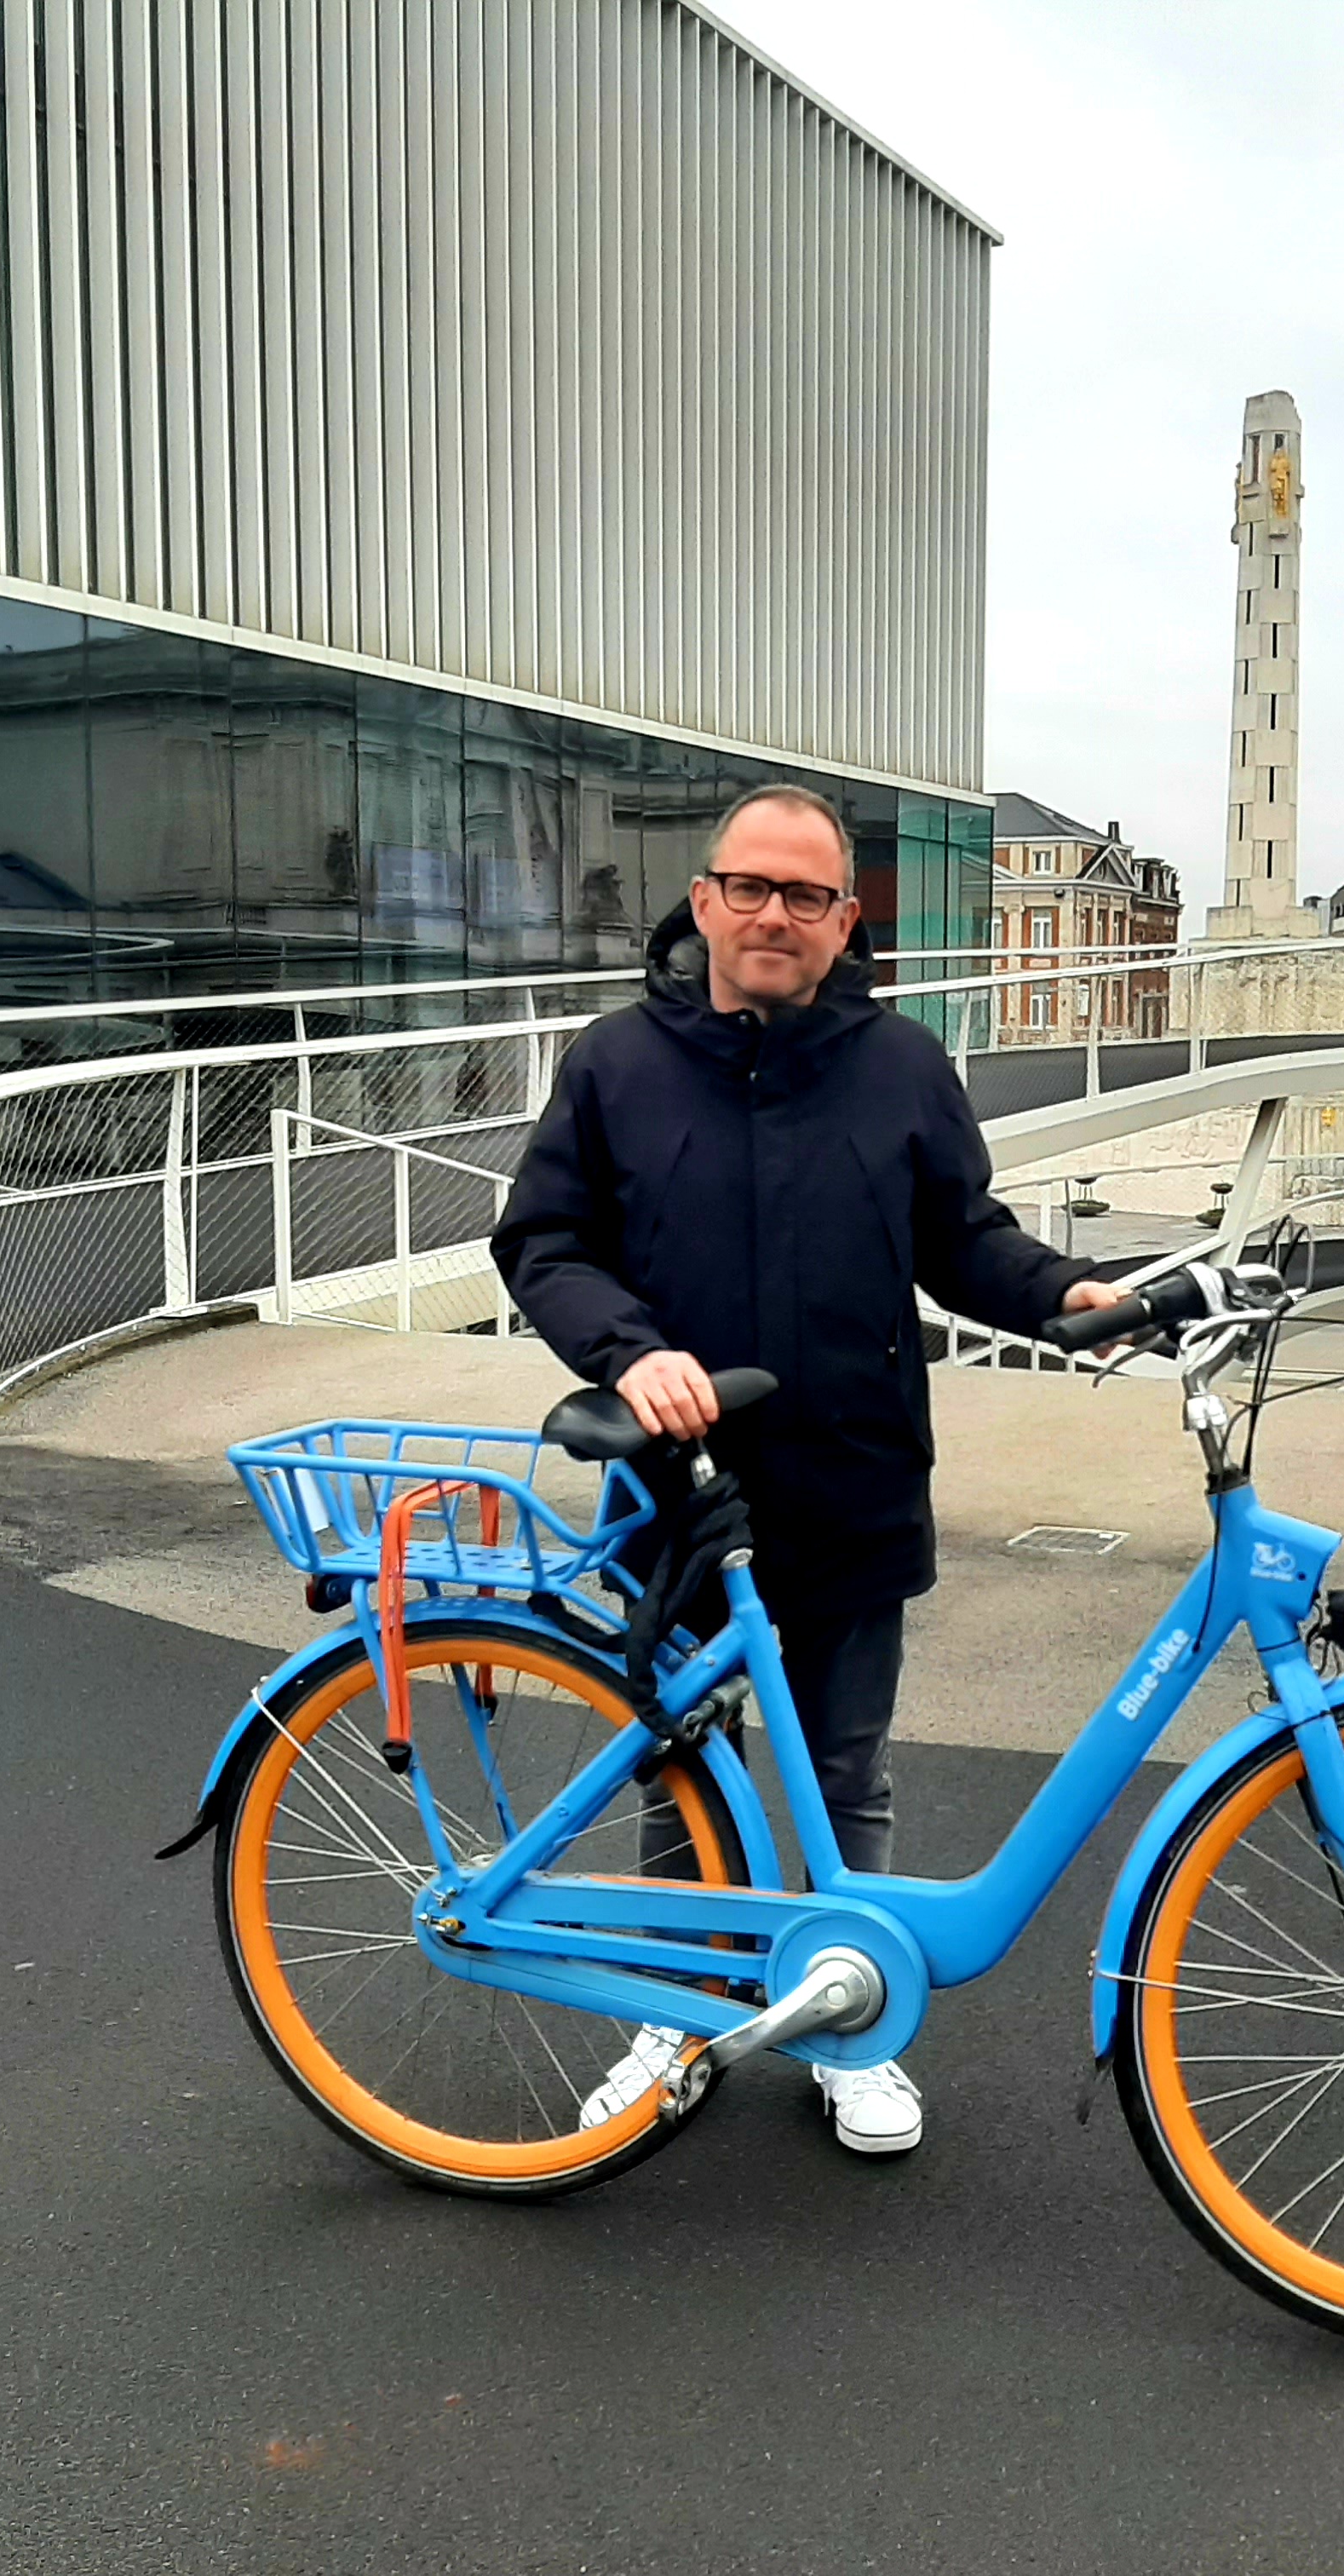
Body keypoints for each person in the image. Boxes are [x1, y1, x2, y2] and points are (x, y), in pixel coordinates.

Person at [492, 783, 1122, 2159]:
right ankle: (678, 2011)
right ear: (706, 900)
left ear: (847, 921)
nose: (776, 914)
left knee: (847, 1767)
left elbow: (963, 1244)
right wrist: (625, 1349)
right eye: (752, 888)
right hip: (680, 1487)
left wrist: (1069, 1292)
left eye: (808, 896)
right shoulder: (615, 1064)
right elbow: (543, 1242)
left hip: (852, 1471)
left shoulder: (903, 1066)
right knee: (684, 1768)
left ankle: (850, 2026)